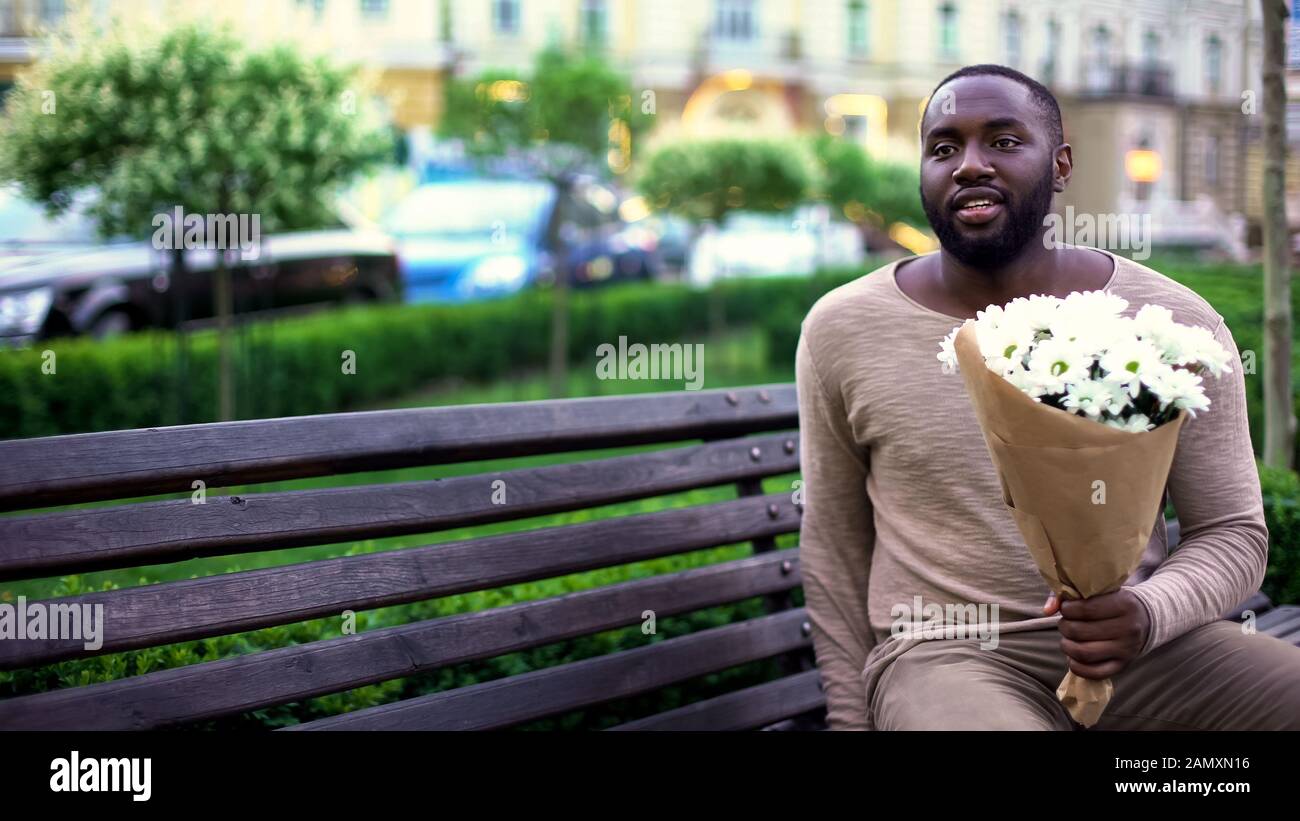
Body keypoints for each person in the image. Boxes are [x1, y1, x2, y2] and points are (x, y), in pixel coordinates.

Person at [797, 64, 1300, 730]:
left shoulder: (1172, 321)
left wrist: (1149, 612)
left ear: (1061, 163)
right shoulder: (843, 327)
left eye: (1003, 141)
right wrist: (848, 719)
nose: (969, 165)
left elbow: (1231, 532)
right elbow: (832, 542)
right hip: (945, 655)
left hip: (1139, 649)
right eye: (943, 148)